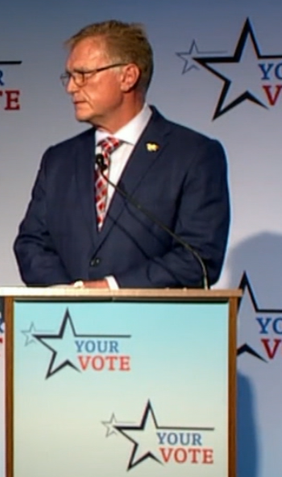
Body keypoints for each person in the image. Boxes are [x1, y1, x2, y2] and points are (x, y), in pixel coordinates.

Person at [13, 21, 230, 288]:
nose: (71, 87)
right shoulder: (59, 160)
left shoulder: (193, 155)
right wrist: (72, 295)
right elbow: (31, 244)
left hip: (153, 325)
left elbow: (198, 257)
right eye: (69, 76)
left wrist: (111, 288)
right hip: (67, 322)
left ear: (128, 77)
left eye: (83, 74)